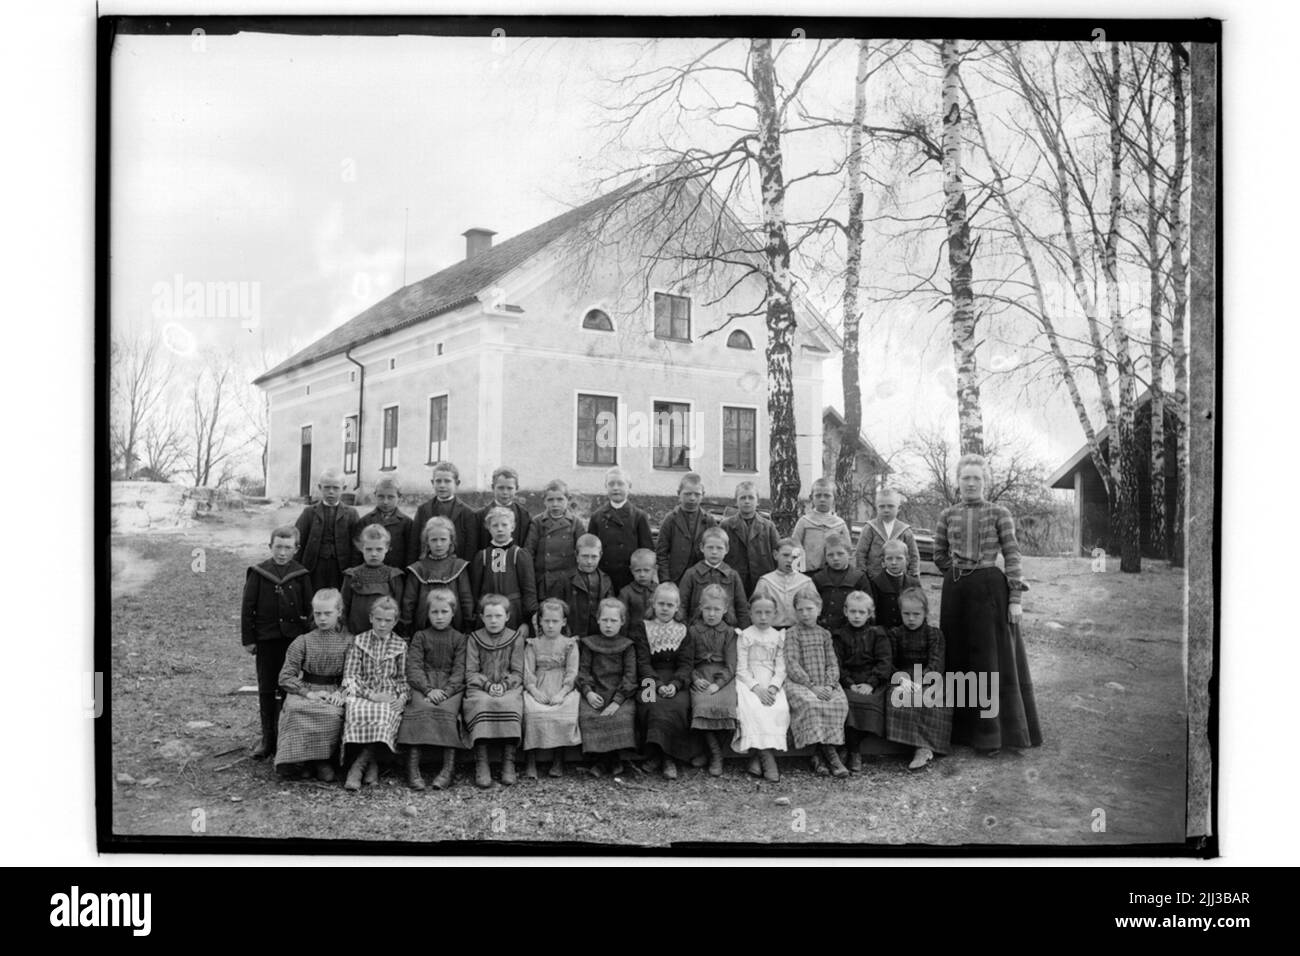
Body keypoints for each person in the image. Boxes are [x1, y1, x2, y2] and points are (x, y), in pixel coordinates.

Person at [934, 453, 1042, 753]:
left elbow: (1013, 555)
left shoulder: (999, 513)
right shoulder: (947, 514)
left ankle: (991, 736)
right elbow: (939, 554)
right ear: (957, 481)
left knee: (989, 661)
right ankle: (959, 733)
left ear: (986, 482)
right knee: (957, 658)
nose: (971, 483)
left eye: (976, 478)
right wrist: (958, 574)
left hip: (990, 591)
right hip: (955, 592)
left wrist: (1015, 598)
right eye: (965, 478)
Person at [241, 525, 312, 758]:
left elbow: (307, 609)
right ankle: (267, 739)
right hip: (266, 640)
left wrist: (305, 640)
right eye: (278, 547)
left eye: (288, 548)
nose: (282, 553)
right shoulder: (259, 572)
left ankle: (286, 738)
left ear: (296, 549)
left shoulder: (301, 575)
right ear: (270, 546)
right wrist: (249, 639)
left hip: (292, 641)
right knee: (266, 689)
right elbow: (248, 607)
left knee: (289, 688)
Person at [274, 588, 350, 781]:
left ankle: (322, 760)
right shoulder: (303, 641)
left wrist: (341, 692)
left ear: (339, 612)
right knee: (294, 708)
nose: (322, 618)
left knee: (332, 714)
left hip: (334, 690)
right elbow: (286, 676)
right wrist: (307, 693)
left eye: (328, 613)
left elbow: (354, 673)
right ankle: (303, 761)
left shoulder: (350, 642)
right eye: (318, 614)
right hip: (307, 689)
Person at [396, 589, 468, 790]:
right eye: (434, 612)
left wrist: (446, 691)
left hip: (450, 688)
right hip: (423, 685)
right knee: (418, 708)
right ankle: (413, 769)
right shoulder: (420, 636)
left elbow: (460, 669)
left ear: (453, 612)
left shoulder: (460, 639)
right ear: (427, 613)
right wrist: (428, 690)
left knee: (448, 710)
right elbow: (414, 667)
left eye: (444, 611)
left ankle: (448, 769)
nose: (439, 616)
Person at [342, 597, 409, 791]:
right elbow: (350, 676)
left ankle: (359, 766)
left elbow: (403, 678)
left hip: (389, 693)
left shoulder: (400, 645)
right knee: (356, 710)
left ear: (395, 622)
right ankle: (371, 766)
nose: (382, 624)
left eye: (388, 621)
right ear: (371, 618)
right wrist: (371, 695)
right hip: (363, 692)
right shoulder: (359, 641)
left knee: (384, 714)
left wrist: (402, 698)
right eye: (378, 619)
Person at [784, 586, 850, 777]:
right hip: (801, 683)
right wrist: (811, 686)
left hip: (824, 681)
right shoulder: (792, 633)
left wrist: (829, 685)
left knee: (838, 702)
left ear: (819, 609)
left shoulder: (824, 634)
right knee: (812, 705)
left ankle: (819, 758)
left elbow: (832, 663)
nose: (805, 614)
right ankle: (833, 758)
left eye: (809, 609)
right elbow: (792, 663)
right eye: (800, 610)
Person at [631, 583, 695, 780]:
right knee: (650, 703)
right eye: (661, 604)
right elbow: (642, 662)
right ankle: (655, 754)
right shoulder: (643, 628)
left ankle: (668, 758)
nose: (665, 608)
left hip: (676, 680)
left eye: (670, 604)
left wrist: (675, 685)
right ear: (653, 604)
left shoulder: (684, 630)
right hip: (650, 679)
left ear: (677, 607)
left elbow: (686, 665)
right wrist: (657, 685)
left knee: (677, 705)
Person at [462, 593, 526, 788]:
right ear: (482, 617)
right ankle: (482, 762)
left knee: (510, 703)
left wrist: (505, 685)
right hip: (480, 687)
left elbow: (518, 672)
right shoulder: (474, 638)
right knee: (481, 703)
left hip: (509, 687)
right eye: (489, 616)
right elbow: (470, 672)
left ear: (507, 616)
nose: (493, 620)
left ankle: (509, 761)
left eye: (498, 616)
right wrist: (487, 685)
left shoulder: (515, 638)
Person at [885, 587, 952, 770]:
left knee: (932, 698)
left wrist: (921, 681)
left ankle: (924, 747)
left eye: (916, 614)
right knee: (898, 697)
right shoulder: (894, 634)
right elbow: (888, 663)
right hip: (903, 678)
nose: (911, 618)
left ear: (925, 613)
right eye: (906, 614)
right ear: (900, 612)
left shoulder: (934, 634)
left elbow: (936, 664)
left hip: (928, 677)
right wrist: (901, 680)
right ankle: (910, 744)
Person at [831, 590, 892, 774]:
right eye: (853, 611)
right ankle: (852, 750)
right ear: (845, 611)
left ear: (870, 613)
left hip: (872, 680)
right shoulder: (839, 635)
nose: (857, 616)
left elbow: (884, 661)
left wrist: (871, 683)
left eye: (862, 612)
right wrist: (849, 683)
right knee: (848, 702)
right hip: (848, 681)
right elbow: (836, 663)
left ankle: (853, 751)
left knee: (870, 703)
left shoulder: (878, 634)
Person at [576, 598, 638, 776]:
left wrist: (617, 701)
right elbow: (583, 672)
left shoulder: (627, 646)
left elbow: (630, 676)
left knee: (623, 715)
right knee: (588, 714)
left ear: (622, 622)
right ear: (597, 620)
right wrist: (588, 693)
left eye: (614, 621)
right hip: (596, 691)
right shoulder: (589, 644)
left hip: (620, 693)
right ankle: (602, 761)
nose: (609, 625)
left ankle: (612, 759)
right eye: (605, 620)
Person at [522, 598, 581, 780]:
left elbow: (572, 672)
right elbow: (528, 671)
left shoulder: (570, 644)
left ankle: (558, 759)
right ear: (539, 621)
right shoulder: (533, 644)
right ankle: (530, 760)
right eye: (546, 621)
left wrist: (562, 693)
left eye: (555, 621)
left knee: (564, 710)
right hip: (538, 685)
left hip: (562, 686)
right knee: (531, 710)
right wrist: (534, 690)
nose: (550, 625)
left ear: (563, 622)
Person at [732, 595, 789, 783]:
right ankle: (767, 759)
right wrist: (756, 689)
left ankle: (758, 759)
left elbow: (781, 667)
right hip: (749, 680)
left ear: (775, 614)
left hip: (771, 679)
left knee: (778, 707)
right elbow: (741, 668)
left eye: (767, 613)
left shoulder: (778, 636)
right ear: (750, 613)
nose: (763, 617)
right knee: (753, 708)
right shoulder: (745, 635)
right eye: (758, 612)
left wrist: (773, 687)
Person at [688, 584, 738, 777]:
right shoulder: (693, 631)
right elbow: (687, 661)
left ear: (725, 609)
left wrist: (719, 683)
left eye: (716, 609)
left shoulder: (730, 632)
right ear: (701, 607)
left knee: (726, 704)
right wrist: (694, 678)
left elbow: (731, 665)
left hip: (723, 677)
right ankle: (714, 753)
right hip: (700, 675)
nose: (711, 614)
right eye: (707, 609)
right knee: (701, 704)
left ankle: (715, 754)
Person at [469, 507, 538, 632]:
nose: (500, 529)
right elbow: (475, 592)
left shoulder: (520, 554)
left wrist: (526, 621)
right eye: (495, 525)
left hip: (514, 613)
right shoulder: (483, 556)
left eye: (504, 525)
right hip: (489, 614)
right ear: (488, 528)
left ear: (512, 527)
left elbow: (529, 590)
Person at [586, 466, 654, 593]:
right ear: (605, 486)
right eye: (611, 484)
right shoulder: (597, 516)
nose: (616, 488)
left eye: (620, 484)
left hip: (630, 579)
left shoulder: (639, 516)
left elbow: (647, 551)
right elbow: (590, 548)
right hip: (604, 578)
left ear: (629, 486)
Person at [402, 517, 474, 635]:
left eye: (443, 539)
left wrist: (468, 627)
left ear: (451, 540)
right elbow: (408, 602)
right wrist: (406, 630)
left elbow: (466, 599)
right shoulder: (418, 568)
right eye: (434, 540)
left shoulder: (458, 566)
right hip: (423, 629)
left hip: (454, 629)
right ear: (427, 542)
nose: (439, 544)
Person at [293, 468, 361, 592]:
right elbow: (297, 540)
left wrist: (354, 568)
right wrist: (296, 567)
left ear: (343, 488)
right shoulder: (309, 512)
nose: (331, 492)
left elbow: (357, 544)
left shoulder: (351, 513)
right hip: (315, 564)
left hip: (341, 566)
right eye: (327, 487)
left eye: (335, 488)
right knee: (313, 594)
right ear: (320, 487)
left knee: (338, 597)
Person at [677, 526, 751, 628]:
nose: (714, 552)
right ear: (702, 547)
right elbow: (682, 605)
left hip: (727, 631)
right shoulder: (691, 574)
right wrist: (684, 629)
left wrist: (744, 632)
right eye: (710, 547)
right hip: (697, 630)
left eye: (719, 548)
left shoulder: (732, 575)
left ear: (727, 549)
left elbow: (742, 608)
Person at [522, 479, 584, 600]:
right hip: (544, 582)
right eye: (550, 500)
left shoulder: (576, 523)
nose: (555, 504)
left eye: (560, 499)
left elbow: (582, 552)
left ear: (568, 499)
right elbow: (528, 553)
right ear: (544, 501)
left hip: (568, 582)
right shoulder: (538, 522)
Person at [341, 523, 406, 636]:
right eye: (369, 549)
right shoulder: (352, 575)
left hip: (384, 633)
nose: (374, 554)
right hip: (355, 633)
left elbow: (398, 607)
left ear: (386, 549)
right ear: (362, 549)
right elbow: (343, 605)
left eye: (379, 549)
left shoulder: (393, 575)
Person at [655, 472, 719, 585]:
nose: (692, 498)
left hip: (702, 578)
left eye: (697, 494)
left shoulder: (709, 521)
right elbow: (661, 553)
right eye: (687, 494)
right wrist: (665, 580)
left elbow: (717, 551)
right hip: (676, 578)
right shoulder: (670, 520)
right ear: (678, 493)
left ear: (703, 494)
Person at [720, 480, 780, 597]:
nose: (747, 501)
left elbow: (777, 553)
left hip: (762, 581)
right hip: (734, 581)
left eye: (751, 498)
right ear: (736, 501)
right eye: (742, 498)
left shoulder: (768, 526)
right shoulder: (726, 525)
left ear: (758, 501)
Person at [412, 461, 479, 563]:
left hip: (456, 568)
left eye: (447, 481)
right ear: (432, 483)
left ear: (457, 483)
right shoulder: (423, 510)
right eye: (438, 481)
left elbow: (471, 547)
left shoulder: (467, 513)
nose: (442, 485)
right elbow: (414, 545)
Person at [854, 487, 921, 578]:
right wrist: (862, 576)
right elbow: (860, 553)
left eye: (890, 506)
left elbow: (914, 557)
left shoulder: (905, 530)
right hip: (873, 579)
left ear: (899, 508)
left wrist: (913, 577)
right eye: (882, 506)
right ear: (877, 508)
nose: (886, 510)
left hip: (900, 580)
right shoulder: (870, 528)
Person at [810, 532, 870, 632]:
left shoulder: (859, 577)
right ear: (825, 557)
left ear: (850, 554)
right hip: (824, 630)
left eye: (840, 554)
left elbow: (868, 606)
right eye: (830, 555)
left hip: (850, 631)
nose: (835, 558)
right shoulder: (818, 578)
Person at [791, 477, 850, 574]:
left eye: (827, 496)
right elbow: (795, 545)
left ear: (835, 498)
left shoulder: (840, 524)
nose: (822, 499)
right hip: (808, 573)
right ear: (811, 498)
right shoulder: (804, 522)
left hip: (833, 575)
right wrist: (800, 570)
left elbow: (847, 549)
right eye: (818, 496)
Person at [357, 477, 416, 571]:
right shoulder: (365, 521)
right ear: (374, 495)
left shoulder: (407, 523)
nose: (385, 502)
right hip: (369, 573)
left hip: (397, 573)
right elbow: (357, 552)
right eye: (381, 496)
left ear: (399, 497)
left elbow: (411, 552)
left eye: (390, 497)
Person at [752, 539, 813, 627]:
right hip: (771, 630)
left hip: (799, 630)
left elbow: (814, 607)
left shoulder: (806, 582)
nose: (790, 560)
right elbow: (755, 607)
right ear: (776, 555)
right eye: (785, 555)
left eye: (794, 557)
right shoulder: (765, 582)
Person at [561, 534, 612, 637]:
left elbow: (611, 609)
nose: (589, 561)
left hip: (598, 635)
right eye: (585, 556)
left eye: (594, 557)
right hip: (573, 634)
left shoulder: (606, 580)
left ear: (600, 555)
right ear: (576, 555)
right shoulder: (565, 579)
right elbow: (558, 608)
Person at [869, 539, 921, 629]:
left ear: (907, 560)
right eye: (889, 558)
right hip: (883, 633)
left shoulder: (914, 583)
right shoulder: (875, 583)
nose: (894, 562)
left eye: (899, 558)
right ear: (883, 562)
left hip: (907, 632)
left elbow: (921, 609)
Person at [476, 466, 532, 549]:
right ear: (492, 487)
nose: (505, 492)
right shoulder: (480, 515)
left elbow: (527, 545)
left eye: (509, 488)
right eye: (501, 488)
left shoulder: (524, 515)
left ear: (517, 489)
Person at [616, 549, 658, 627]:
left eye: (646, 570)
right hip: (633, 636)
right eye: (638, 570)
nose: (642, 574)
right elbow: (622, 618)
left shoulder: (660, 591)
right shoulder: (626, 593)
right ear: (631, 570)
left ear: (655, 569)